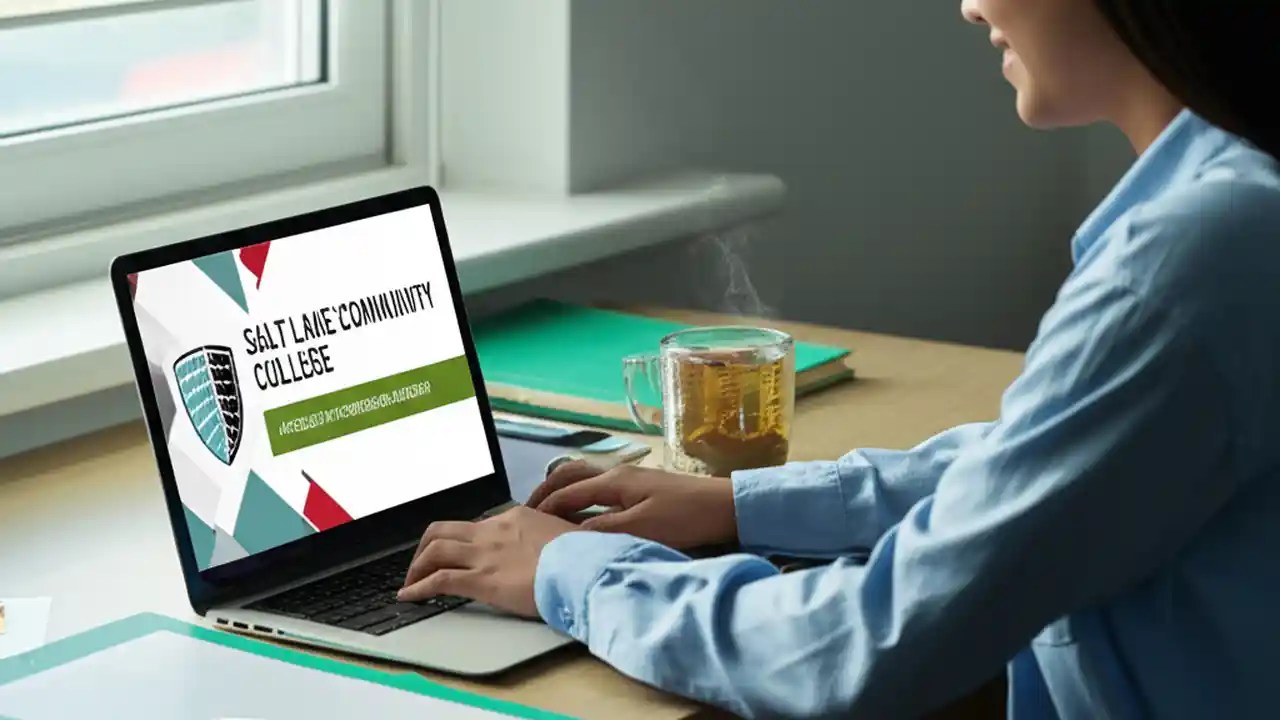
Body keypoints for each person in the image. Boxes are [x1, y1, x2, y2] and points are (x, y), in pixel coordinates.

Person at [400, 1, 1280, 717]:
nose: (969, 7)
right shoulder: (1239, 205)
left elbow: (873, 642)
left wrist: (571, 572)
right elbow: (1043, 465)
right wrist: (739, 506)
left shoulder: (1182, 267)